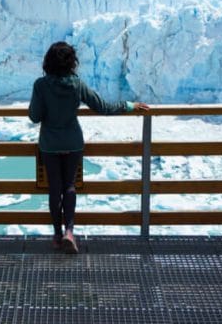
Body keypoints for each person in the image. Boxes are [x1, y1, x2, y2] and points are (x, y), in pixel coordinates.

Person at [28, 41, 149, 253]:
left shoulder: (40, 85)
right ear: (71, 62)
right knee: (69, 186)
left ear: (48, 62)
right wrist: (129, 105)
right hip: (73, 142)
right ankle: (69, 232)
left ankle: (56, 235)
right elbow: (102, 107)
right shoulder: (77, 84)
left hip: (50, 144)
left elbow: (34, 116)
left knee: (55, 188)